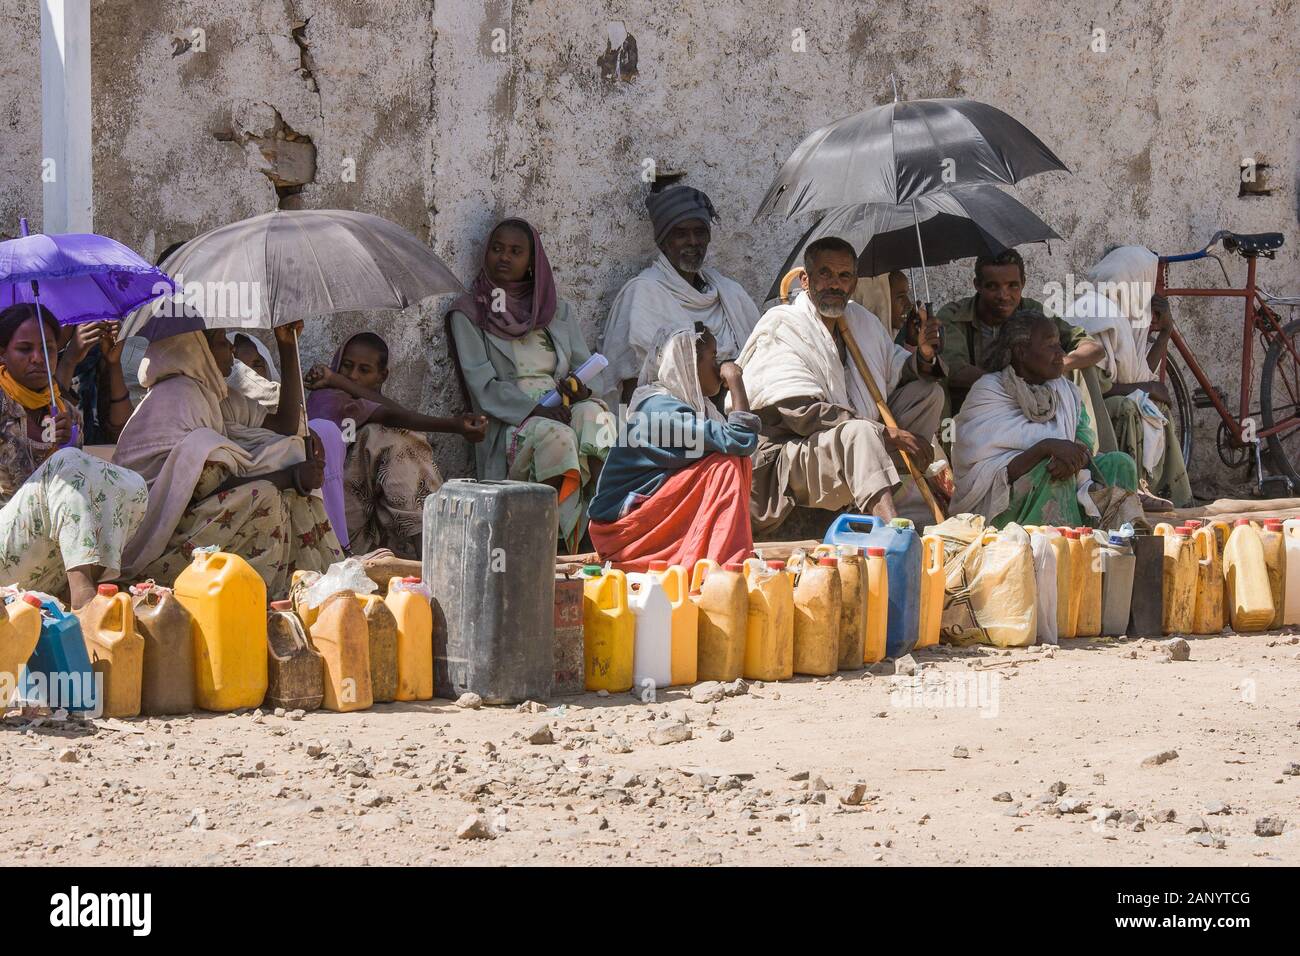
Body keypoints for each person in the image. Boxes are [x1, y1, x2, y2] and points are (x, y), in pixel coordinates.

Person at [113, 324, 343, 596]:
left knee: (288, 470)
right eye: (222, 342)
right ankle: (255, 597)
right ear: (199, 351)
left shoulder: (212, 393)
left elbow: (285, 425)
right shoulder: (180, 396)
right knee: (266, 495)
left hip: (186, 517)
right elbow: (205, 487)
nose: (231, 348)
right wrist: (291, 476)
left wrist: (287, 345)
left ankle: (310, 584)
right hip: (157, 535)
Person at [740, 236, 946, 534]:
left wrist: (925, 355)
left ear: (854, 283)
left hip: (853, 441)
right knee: (861, 433)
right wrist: (884, 434)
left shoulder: (862, 321)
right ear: (806, 280)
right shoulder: (782, 324)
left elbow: (897, 371)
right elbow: (800, 413)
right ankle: (895, 535)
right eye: (825, 274)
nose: (834, 284)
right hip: (788, 457)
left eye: (844, 276)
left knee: (928, 394)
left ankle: (885, 479)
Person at [448, 217, 614, 553]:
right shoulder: (468, 313)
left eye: (515, 251)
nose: (504, 258)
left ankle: (598, 523)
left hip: (560, 405)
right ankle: (550, 541)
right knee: (558, 437)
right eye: (497, 249)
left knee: (599, 420)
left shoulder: (554, 310)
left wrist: (580, 391)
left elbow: (583, 367)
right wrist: (535, 409)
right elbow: (483, 386)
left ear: (531, 262)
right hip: (510, 415)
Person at [0, 304, 148, 607]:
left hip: (38, 555)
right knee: (69, 462)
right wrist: (61, 458)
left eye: (48, 349)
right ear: (2, 354)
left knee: (131, 484)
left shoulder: (65, 408)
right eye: (24, 349)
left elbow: (68, 497)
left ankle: (86, 583)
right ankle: (84, 600)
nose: (38, 359)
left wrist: (63, 445)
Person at [589, 325, 758, 570]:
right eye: (713, 357)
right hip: (621, 533)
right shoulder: (659, 412)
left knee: (724, 462)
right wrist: (735, 380)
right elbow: (742, 440)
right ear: (687, 363)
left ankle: (711, 556)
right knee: (724, 466)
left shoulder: (679, 406)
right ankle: (725, 563)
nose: (719, 366)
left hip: (636, 522)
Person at [950, 309, 1139, 528]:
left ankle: (1114, 544)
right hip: (1000, 506)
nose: (1060, 352)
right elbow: (990, 474)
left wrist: (1073, 458)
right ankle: (1054, 553)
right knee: (1050, 471)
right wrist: (1046, 448)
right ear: (1021, 352)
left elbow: (1082, 440)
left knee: (1121, 463)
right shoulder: (989, 391)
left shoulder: (1065, 391)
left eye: (1059, 343)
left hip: (1070, 477)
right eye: (1050, 345)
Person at [305, 331, 485, 558]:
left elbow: (391, 412)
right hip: (333, 521)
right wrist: (454, 425)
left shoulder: (363, 403)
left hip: (373, 533)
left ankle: (436, 549)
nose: (353, 376)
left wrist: (457, 426)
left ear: (382, 376)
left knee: (392, 436)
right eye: (346, 367)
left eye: (364, 370)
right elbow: (393, 415)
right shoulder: (328, 397)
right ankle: (438, 552)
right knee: (389, 437)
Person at [601, 184, 760, 406]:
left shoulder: (729, 292)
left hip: (739, 403)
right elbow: (634, 385)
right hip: (675, 419)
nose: (693, 241)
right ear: (663, 241)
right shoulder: (644, 294)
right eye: (681, 234)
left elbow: (759, 356)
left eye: (700, 232)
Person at [1071, 245, 1193, 508]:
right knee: (1133, 405)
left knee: (1151, 401)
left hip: (1098, 404)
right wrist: (1147, 387)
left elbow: (1136, 371)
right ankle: (1135, 490)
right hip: (1085, 414)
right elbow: (1096, 390)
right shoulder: (1096, 313)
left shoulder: (1120, 313)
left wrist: (1165, 333)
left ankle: (1157, 491)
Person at [937, 249, 1105, 414]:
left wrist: (1060, 365)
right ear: (977, 285)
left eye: (1012, 286)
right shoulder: (954, 316)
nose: (1003, 295)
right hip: (977, 405)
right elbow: (954, 371)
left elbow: (1093, 349)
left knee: (1083, 370)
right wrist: (1012, 385)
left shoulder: (1032, 311)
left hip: (1031, 399)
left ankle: (1089, 441)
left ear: (1023, 283)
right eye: (993, 286)